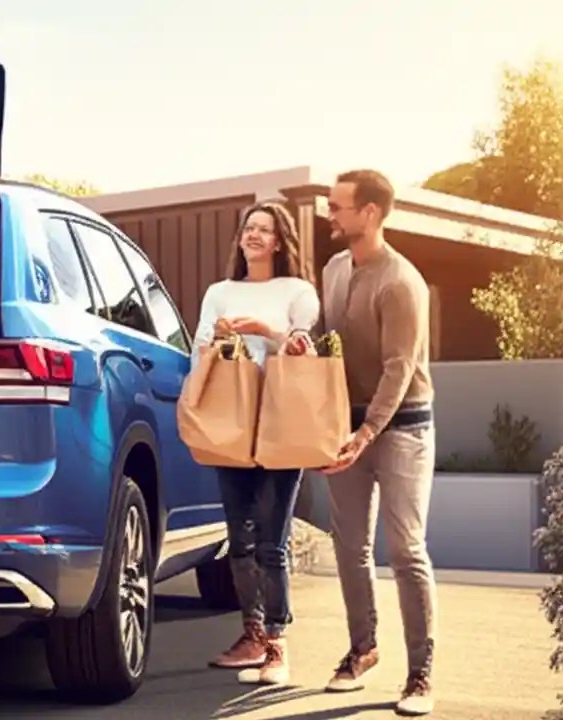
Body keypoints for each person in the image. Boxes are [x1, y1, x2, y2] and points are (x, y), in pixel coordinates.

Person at [320, 169, 436, 717]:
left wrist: (366, 435)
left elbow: (398, 367)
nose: (331, 214)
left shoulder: (401, 282)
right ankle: (362, 648)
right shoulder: (335, 269)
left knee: (406, 549)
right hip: (350, 426)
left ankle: (420, 674)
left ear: (370, 213)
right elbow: (331, 344)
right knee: (349, 545)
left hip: (403, 426)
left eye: (339, 206)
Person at [192, 201, 319, 686]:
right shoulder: (219, 292)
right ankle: (253, 636)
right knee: (239, 539)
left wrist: (266, 330)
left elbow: (303, 351)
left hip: (282, 420)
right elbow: (199, 350)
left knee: (272, 540)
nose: (254, 235)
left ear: (280, 242)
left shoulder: (298, 291)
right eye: (249, 228)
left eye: (264, 230)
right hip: (233, 421)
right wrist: (219, 339)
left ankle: (278, 646)